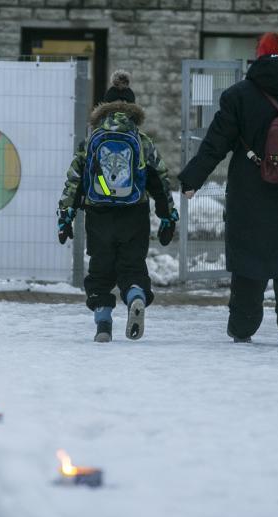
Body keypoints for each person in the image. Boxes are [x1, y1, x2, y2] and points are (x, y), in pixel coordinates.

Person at [178, 32, 278, 348]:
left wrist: (191, 180)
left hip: (252, 193)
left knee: (250, 259)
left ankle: (242, 327)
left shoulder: (239, 95)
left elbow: (215, 143)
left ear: (259, 54)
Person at [57, 70, 177, 343]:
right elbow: (160, 181)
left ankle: (102, 323)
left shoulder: (92, 141)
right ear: (134, 111)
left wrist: (65, 216)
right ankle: (135, 296)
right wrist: (168, 216)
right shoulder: (142, 141)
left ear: (103, 110)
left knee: (100, 270)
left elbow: (74, 181)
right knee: (133, 266)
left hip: (98, 215)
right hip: (134, 214)